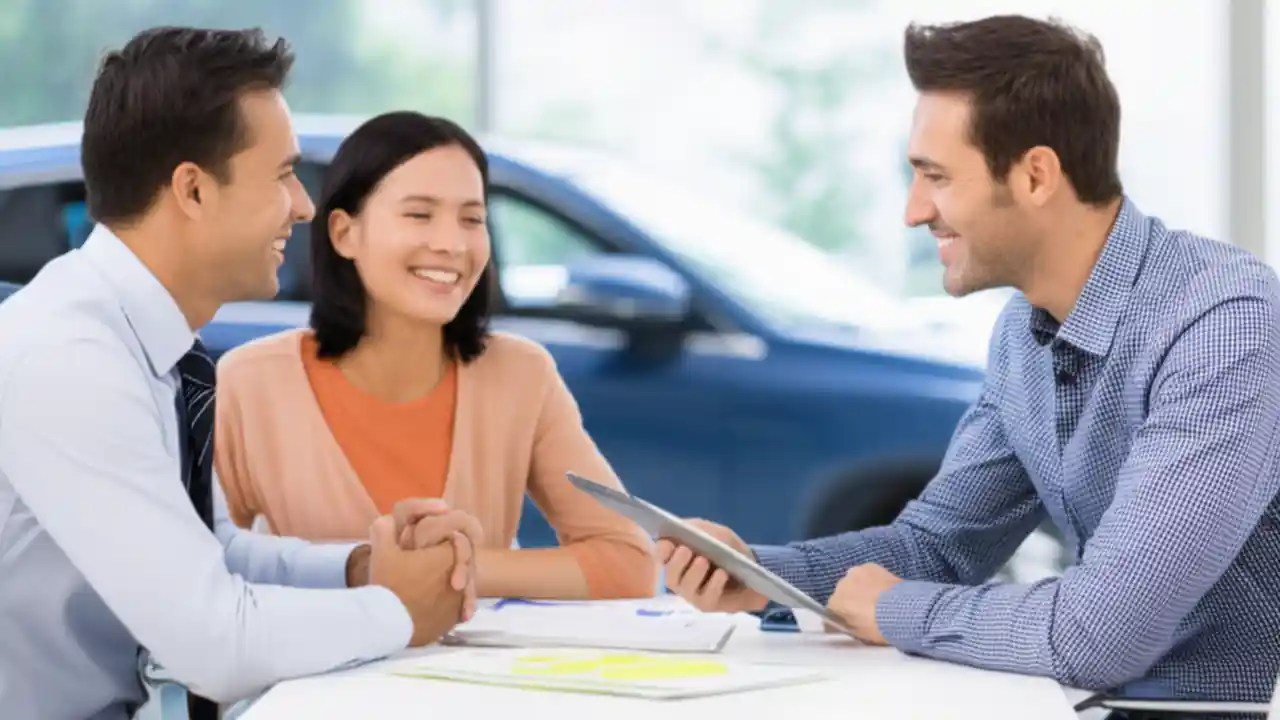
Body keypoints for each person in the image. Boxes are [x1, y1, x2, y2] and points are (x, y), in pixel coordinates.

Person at [658, 14, 1280, 704]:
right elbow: (939, 547)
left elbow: (1099, 634)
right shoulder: (1025, 331)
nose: (913, 211)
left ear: (1036, 174)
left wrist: (896, 611)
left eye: (936, 176)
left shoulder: (1223, 326)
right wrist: (763, 576)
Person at [0, 27, 481, 720]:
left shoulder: (142, 342)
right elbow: (214, 643)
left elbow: (208, 552)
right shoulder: (69, 358)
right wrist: (400, 609)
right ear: (193, 191)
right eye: (283, 175)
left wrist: (360, 571)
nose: (305, 206)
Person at [213, 111, 658, 601]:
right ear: (344, 234)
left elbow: (627, 561)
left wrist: (456, 568)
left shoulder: (520, 375)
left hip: (480, 677)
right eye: (419, 214)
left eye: (472, 219)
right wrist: (372, 576)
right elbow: (203, 573)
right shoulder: (251, 383)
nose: (451, 244)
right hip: (317, 676)